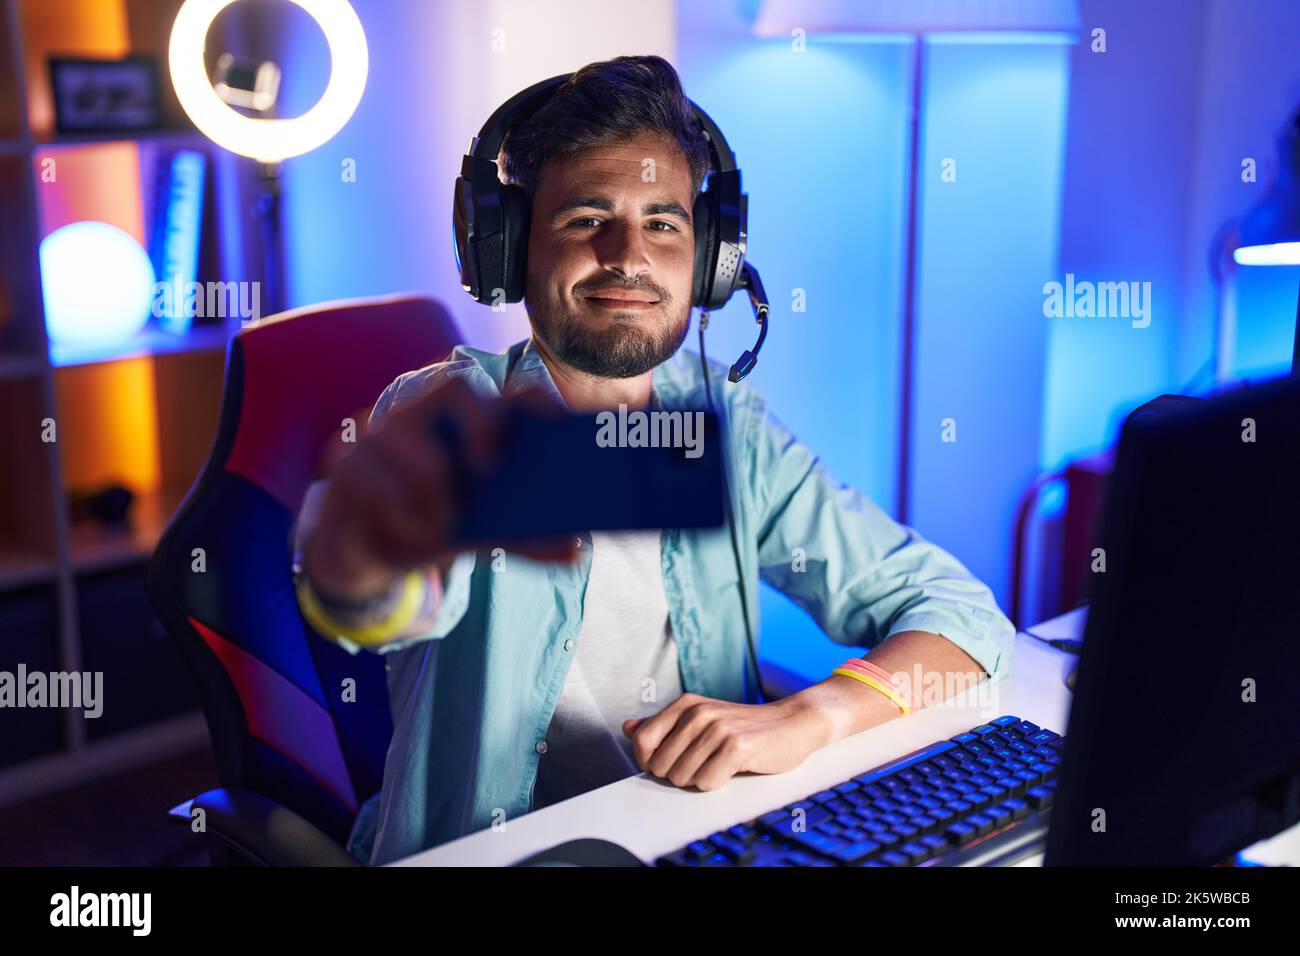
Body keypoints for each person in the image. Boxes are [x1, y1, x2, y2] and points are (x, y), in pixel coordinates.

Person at [294, 55, 1015, 866]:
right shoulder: (453, 415)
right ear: (506, 249)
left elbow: (962, 614)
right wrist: (362, 557)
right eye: (585, 219)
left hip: (691, 841)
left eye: (664, 223)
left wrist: (813, 716)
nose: (628, 255)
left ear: (711, 259)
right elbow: (388, 597)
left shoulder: (726, 426)